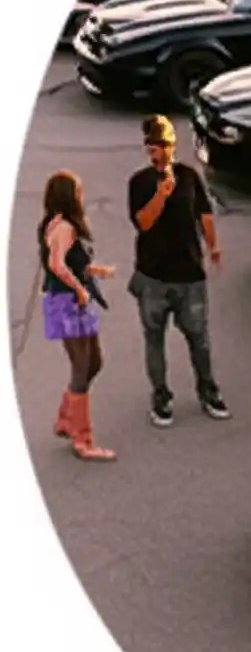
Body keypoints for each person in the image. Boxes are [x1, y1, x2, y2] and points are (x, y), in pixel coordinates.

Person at [127, 115, 229, 427]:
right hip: (153, 277)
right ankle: (161, 397)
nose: (154, 151)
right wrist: (161, 194)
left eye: (159, 145)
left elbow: (204, 212)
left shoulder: (188, 176)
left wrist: (212, 246)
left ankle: (208, 390)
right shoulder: (140, 182)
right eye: (150, 146)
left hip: (189, 275)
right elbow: (143, 222)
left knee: (199, 339)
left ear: (172, 147)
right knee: (154, 340)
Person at [39, 170, 115, 462]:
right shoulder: (64, 227)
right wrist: (79, 290)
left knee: (94, 361)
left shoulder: (63, 225)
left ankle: (65, 417)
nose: (82, 197)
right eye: (78, 192)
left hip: (75, 301)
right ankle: (82, 439)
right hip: (66, 302)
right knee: (82, 366)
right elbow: (56, 265)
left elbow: (70, 263)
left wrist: (95, 272)